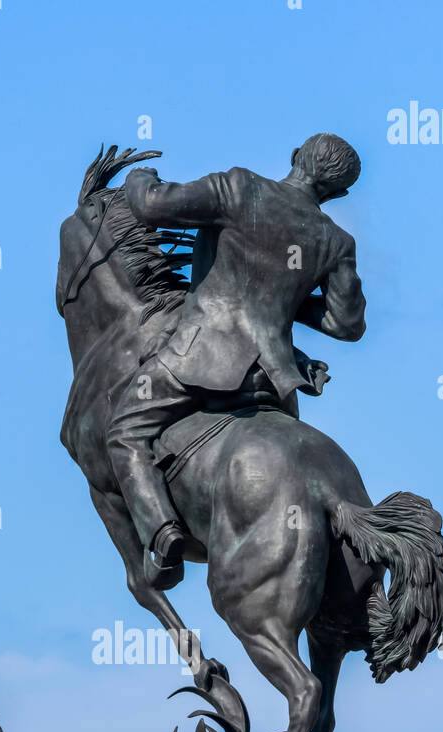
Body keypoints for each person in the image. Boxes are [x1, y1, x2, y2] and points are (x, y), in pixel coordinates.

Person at [107, 133, 366, 588]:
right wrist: (288, 296)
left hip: (200, 361)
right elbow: (347, 325)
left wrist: (139, 175)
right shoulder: (335, 240)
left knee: (125, 431)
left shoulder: (240, 188)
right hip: (271, 380)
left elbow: (149, 205)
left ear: (294, 155)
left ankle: (163, 535)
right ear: (339, 193)